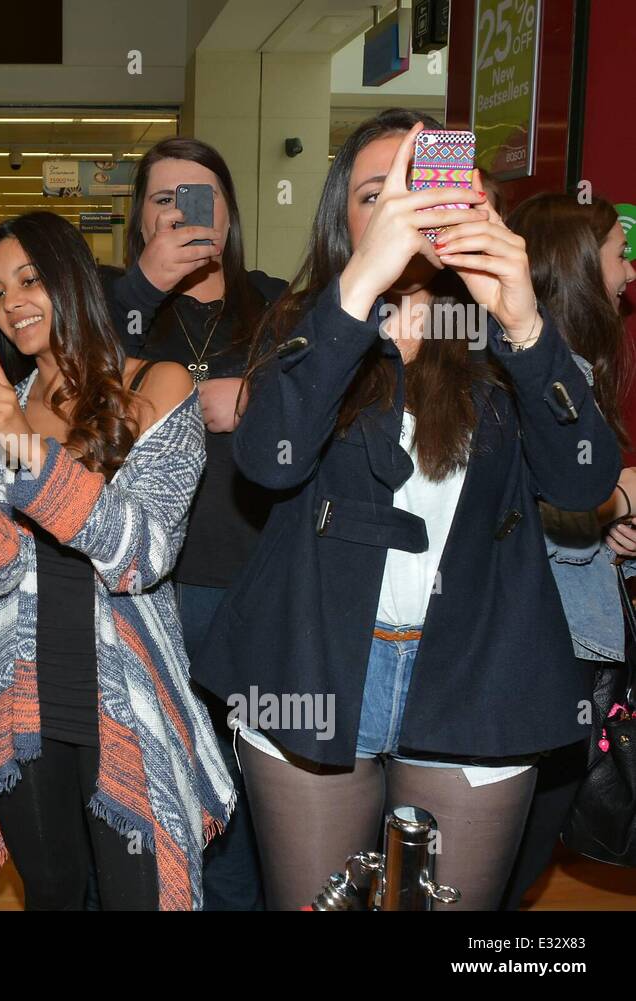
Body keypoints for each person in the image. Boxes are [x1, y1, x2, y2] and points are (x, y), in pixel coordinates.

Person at [200, 109, 621, 910]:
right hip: (314, 666)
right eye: (376, 193)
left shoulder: (505, 331)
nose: (404, 208)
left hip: (474, 676)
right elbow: (264, 458)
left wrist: (526, 321)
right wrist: (357, 289)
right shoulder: (307, 324)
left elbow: (581, 481)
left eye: (426, 187)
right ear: (343, 219)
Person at [0, 211, 235, 910]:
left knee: (137, 896)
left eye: (31, 279)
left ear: (71, 277)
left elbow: (142, 553)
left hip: (125, 695)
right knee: (53, 894)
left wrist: (24, 445)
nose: (14, 305)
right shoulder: (1, 404)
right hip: (22, 694)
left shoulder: (161, 386)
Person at [103, 137, 288, 910]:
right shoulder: (122, 303)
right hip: (153, 590)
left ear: (232, 214)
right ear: (139, 217)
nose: (181, 214)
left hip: (257, 581)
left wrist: (247, 403)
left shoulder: (277, 299)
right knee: (160, 789)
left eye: (199, 197)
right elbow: (72, 381)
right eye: (162, 199)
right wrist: (145, 283)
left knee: (250, 794)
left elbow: (335, 405)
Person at [500, 193, 636, 907]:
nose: (629, 271)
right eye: (618, 253)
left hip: (549, 646)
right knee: (511, 859)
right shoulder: (557, 377)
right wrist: (623, 497)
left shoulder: (550, 365)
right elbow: (550, 520)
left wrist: (613, 520)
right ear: (580, 268)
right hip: (555, 654)